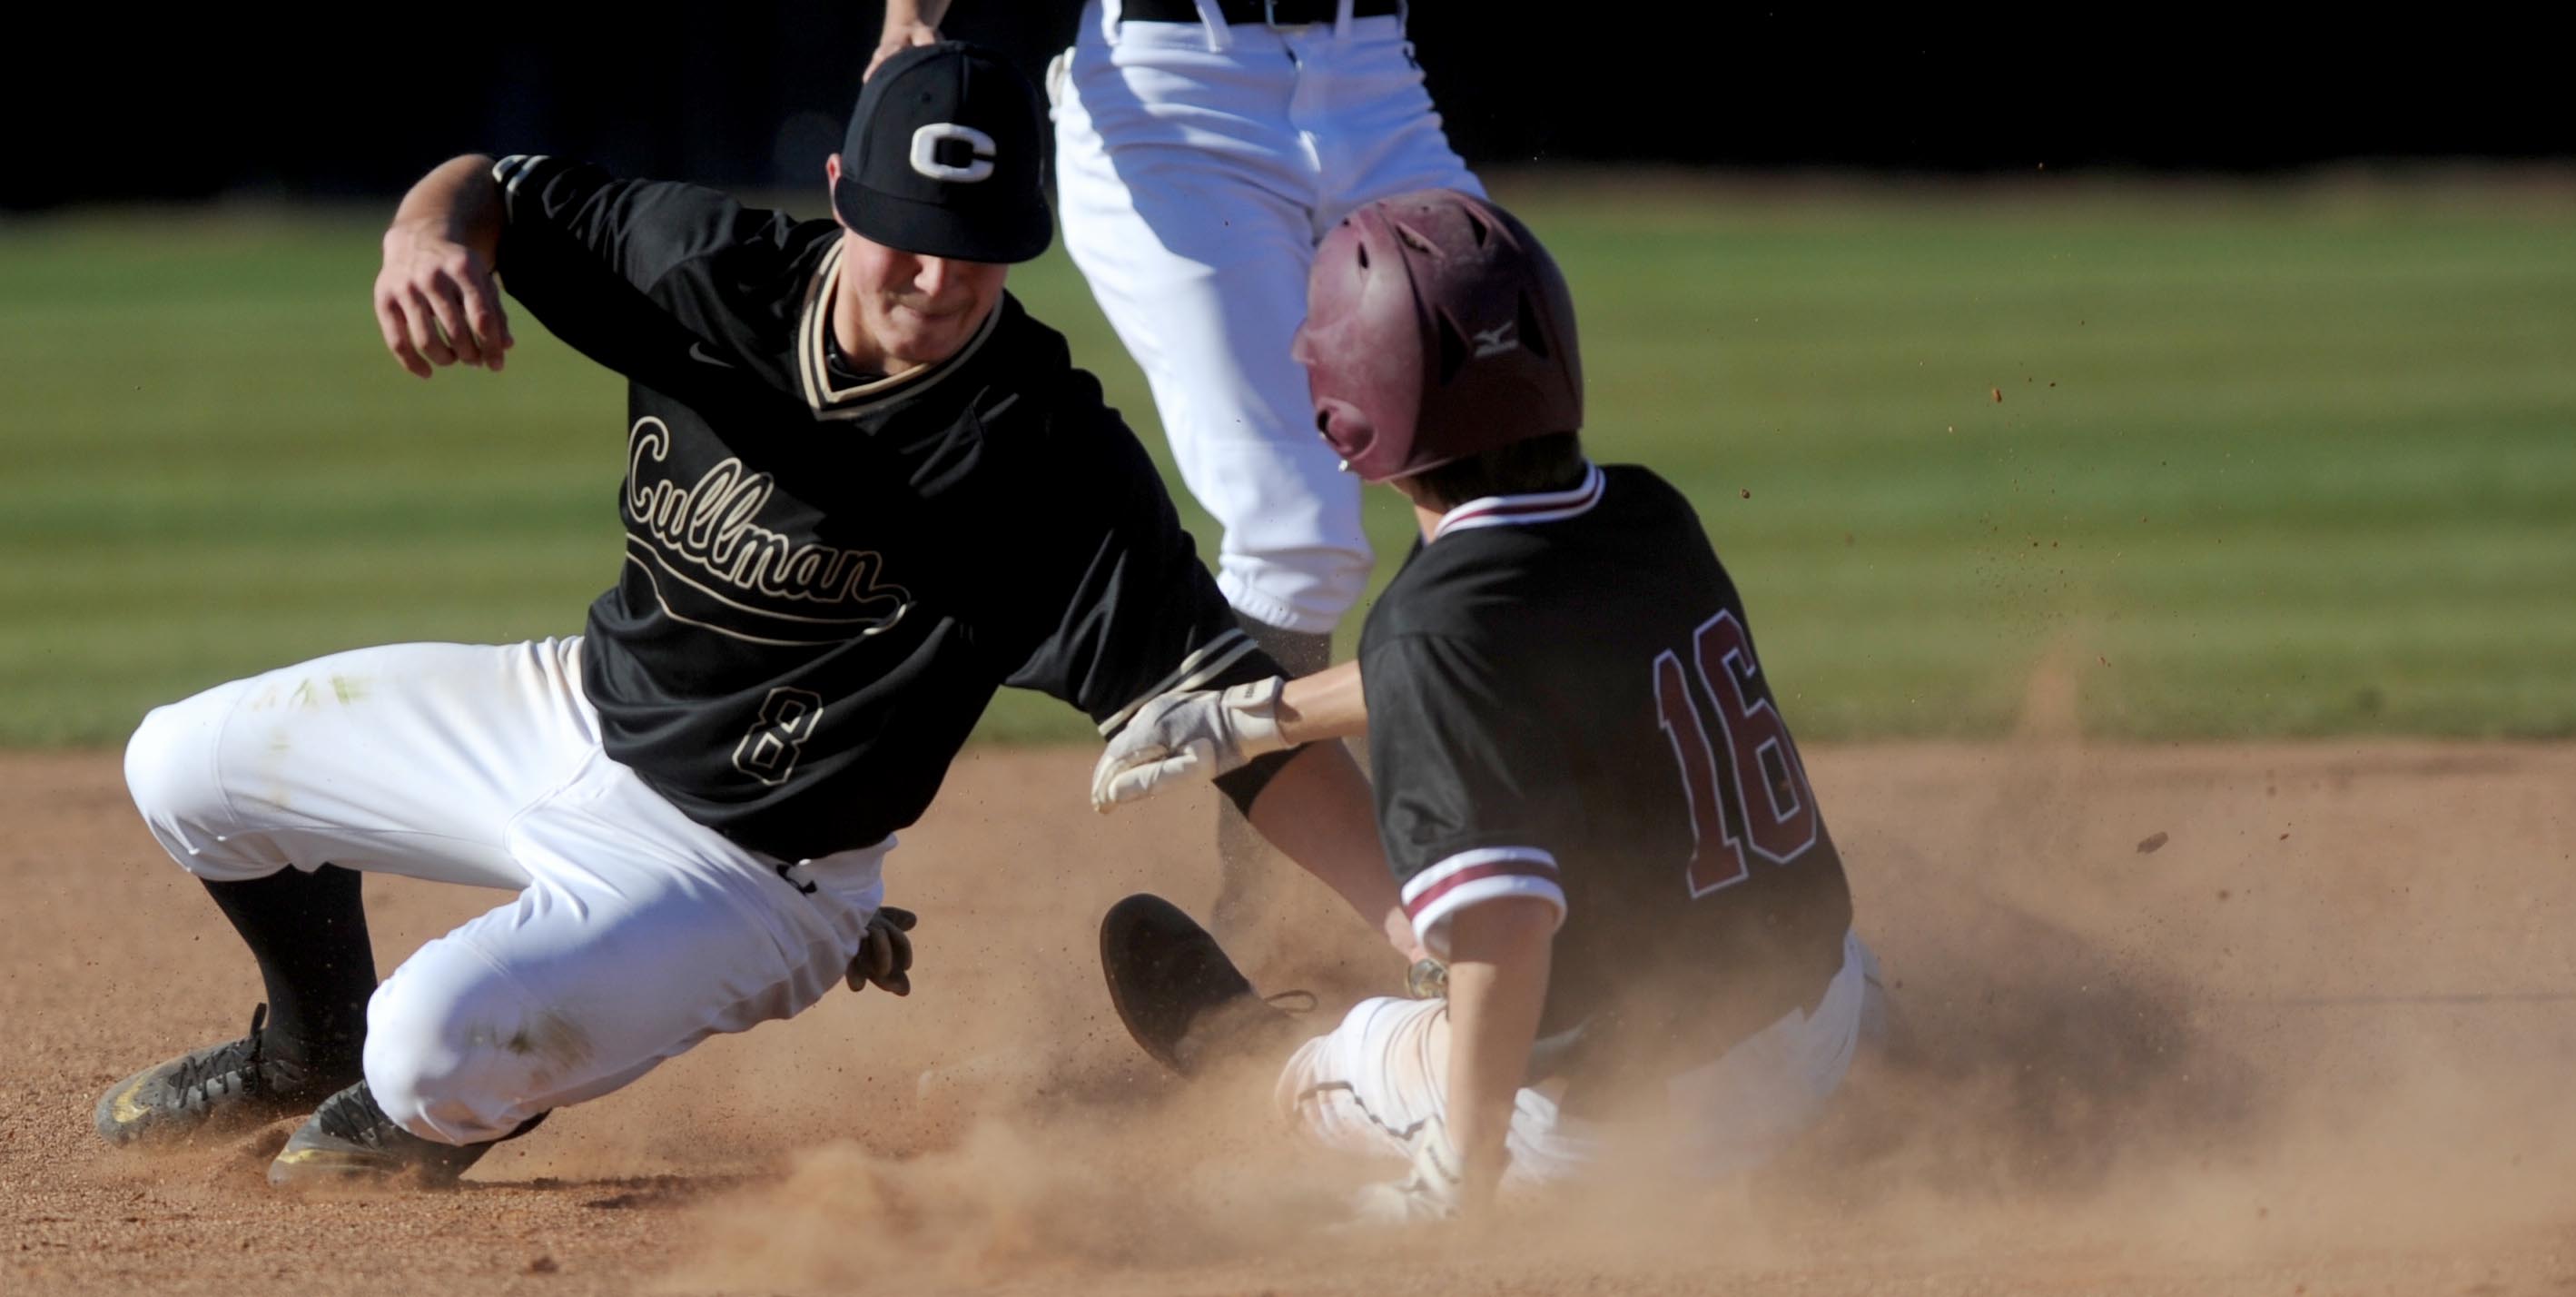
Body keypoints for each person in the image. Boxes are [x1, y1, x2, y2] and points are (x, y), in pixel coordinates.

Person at [92, 42, 1403, 1186]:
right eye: (908, 235)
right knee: (179, 766)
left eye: (978, 250)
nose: (938, 280)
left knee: (429, 1047)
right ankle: (307, 1039)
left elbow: (1238, 724)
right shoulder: (708, 268)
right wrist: (422, 234)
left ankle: (434, 1103)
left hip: (750, 873)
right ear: (839, 192)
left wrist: (1419, 924)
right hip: (575, 704)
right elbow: (493, 186)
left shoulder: (1043, 455)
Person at [1088, 191, 1884, 1221]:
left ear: (1350, 412)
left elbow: (1505, 928)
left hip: (1631, 1130)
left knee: (1351, 1058)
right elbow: (1494, 654)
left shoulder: (1428, 626)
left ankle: (1259, 1064)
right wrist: (1258, 717)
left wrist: (1461, 1173)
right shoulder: (1647, 514)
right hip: (1826, 1029)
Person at [875, 0, 1480, 675]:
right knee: (1295, 541)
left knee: (1505, 465)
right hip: (1174, 92)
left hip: (1377, 77)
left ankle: (1438, 726)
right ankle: (1259, 738)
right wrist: (908, 17)